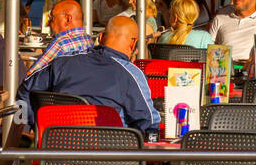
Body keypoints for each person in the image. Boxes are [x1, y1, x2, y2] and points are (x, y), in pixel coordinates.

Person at [18, 15, 159, 132]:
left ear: (101, 37)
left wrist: (34, 127)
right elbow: (149, 124)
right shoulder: (131, 74)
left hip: (57, 156)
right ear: (133, 44)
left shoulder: (62, 62)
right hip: (110, 161)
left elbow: (24, 89)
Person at [24, 0, 93, 79]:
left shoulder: (60, 43)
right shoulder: (89, 40)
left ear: (67, 19)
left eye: (52, 17)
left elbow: (31, 75)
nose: (48, 23)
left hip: (58, 90)